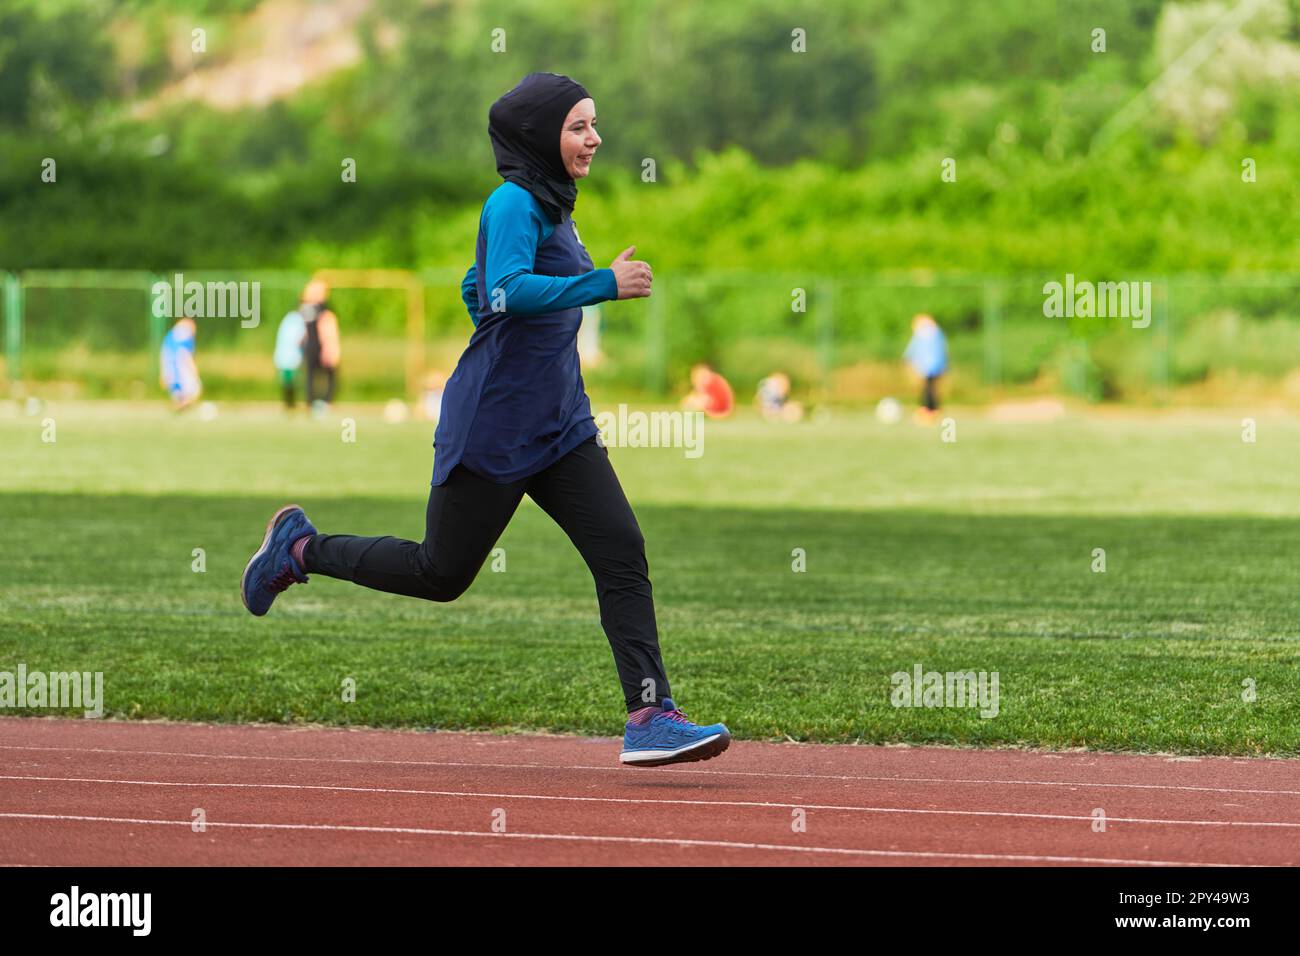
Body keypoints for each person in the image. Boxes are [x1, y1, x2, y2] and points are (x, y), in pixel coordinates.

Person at [240, 72, 730, 768]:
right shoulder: (513, 202)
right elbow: (503, 287)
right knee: (440, 573)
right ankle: (299, 550)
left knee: (621, 550)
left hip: (560, 427)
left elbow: (478, 287)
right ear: (539, 136)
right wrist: (600, 285)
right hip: (495, 429)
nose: (594, 138)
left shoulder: (558, 207)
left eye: (594, 125)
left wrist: (519, 308)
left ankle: (650, 714)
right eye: (578, 127)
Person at [300, 279, 341, 415]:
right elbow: (325, 328)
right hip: (315, 347)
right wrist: (329, 347)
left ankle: (321, 403)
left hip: (316, 346)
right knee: (315, 376)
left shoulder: (310, 308)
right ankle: (314, 404)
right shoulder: (316, 309)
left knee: (323, 375)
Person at [904, 313, 948, 422]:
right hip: (930, 367)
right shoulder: (935, 334)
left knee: (928, 389)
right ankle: (930, 410)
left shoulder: (927, 334)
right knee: (929, 389)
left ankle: (928, 411)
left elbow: (912, 351)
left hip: (930, 367)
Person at [159, 316, 201, 410]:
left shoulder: (173, 334)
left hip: (171, 368)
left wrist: (163, 371)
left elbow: (165, 352)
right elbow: (184, 353)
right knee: (195, 390)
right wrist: (193, 368)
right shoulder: (186, 331)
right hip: (180, 369)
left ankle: (179, 406)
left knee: (180, 393)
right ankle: (181, 406)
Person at [273, 307, 306, 409]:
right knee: (289, 382)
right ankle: (290, 404)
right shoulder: (297, 321)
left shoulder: (290, 320)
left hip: (287, 357)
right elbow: (299, 339)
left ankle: (289, 403)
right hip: (290, 357)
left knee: (289, 381)